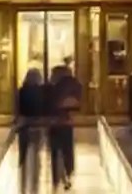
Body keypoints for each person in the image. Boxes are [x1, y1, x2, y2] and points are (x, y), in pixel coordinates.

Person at [48, 62, 82, 190]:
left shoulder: (55, 86)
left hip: (55, 122)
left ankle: (57, 177)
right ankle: (68, 173)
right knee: (67, 149)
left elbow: (51, 104)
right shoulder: (75, 84)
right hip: (68, 122)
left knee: (56, 150)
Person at [17, 69, 48, 194]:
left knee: (24, 148)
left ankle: (22, 166)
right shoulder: (41, 92)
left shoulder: (21, 91)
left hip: (24, 123)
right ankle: (36, 168)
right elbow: (43, 107)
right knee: (36, 148)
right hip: (37, 123)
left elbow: (18, 107)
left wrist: (18, 119)